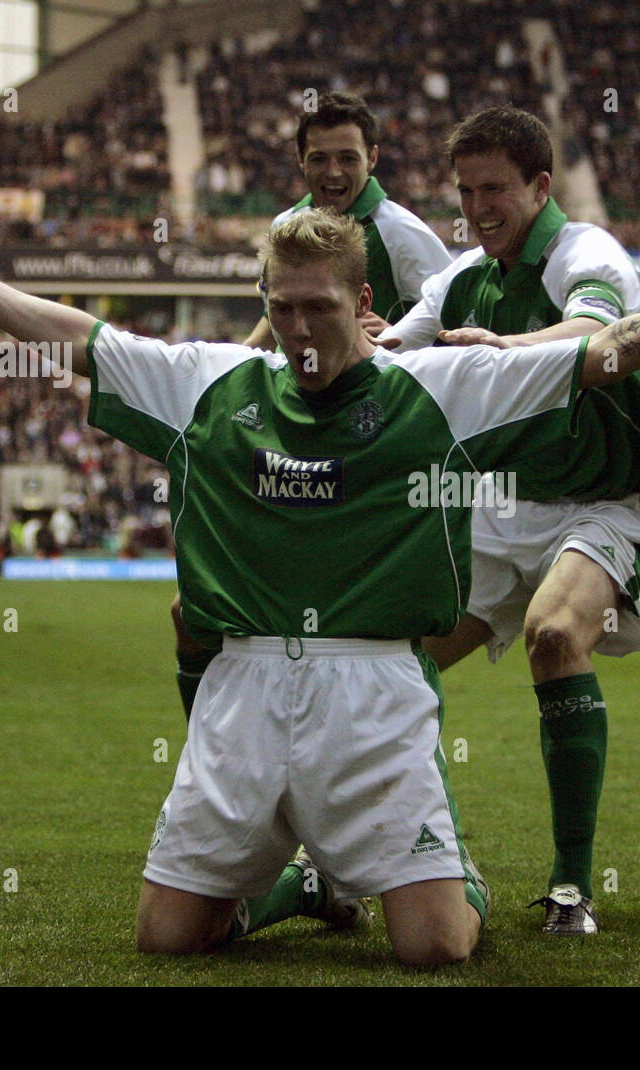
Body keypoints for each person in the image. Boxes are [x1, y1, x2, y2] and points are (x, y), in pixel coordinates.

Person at [0, 202, 640, 961]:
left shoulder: (439, 387)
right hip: (241, 689)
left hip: (373, 687)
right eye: (281, 307)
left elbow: (605, 353)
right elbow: (86, 338)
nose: (297, 328)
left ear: (364, 302)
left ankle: (454, 876)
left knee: (437, 947)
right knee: (165, 940)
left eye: (318, 308)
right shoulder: (215, 382)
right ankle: (297, 887)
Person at [382, 107, 640, 934]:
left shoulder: (586, 253)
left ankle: (571, 885)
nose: (479, 206)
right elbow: (393, 355)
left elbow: (597, 331)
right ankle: (422, 857)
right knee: (396, 663)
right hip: (498, 502)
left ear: (541, 186)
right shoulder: (460, 275)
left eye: (495, 189)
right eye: (466, 190)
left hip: (602, 501)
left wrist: (505, 349)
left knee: (555, 635)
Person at [173, 91, 452, 723]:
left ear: (374, 158)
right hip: (296, 440)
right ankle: (223, 754)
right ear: (300, 161)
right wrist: (219, 377)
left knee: (382, 627)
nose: (333, 173)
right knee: (196, 610)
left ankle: (391, 761)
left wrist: (397, 338)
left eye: (347, 158)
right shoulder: (285, 231)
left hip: (379, 444)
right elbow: (269, 331)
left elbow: (453, 322)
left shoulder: (406, 235)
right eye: (318, 158)